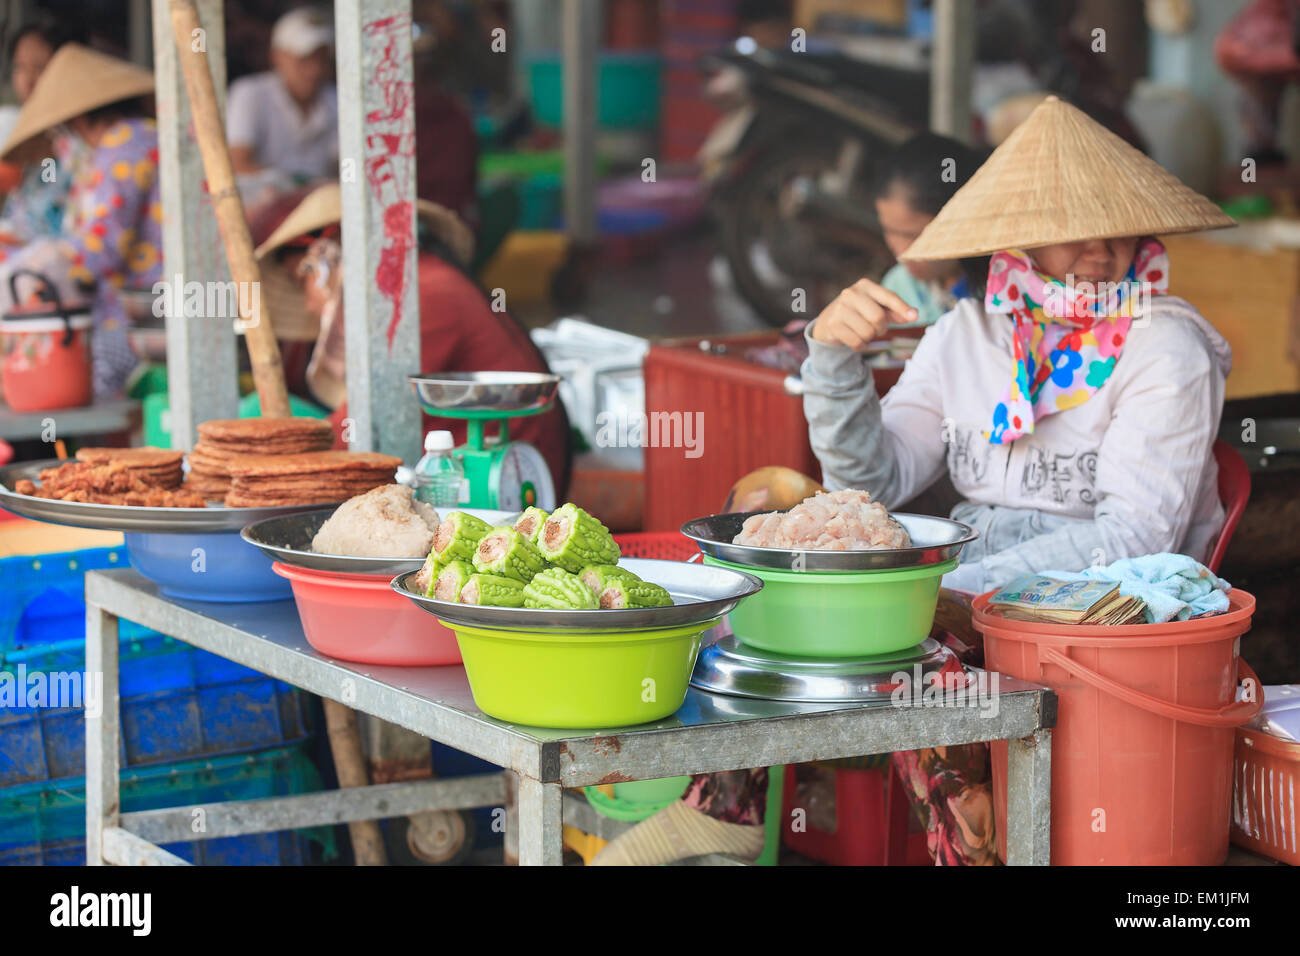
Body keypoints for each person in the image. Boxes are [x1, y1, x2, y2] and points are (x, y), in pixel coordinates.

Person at [593, 96, 1236, 867]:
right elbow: (875, 481)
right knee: (783, 589)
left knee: (903, 640)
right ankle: (726, 806)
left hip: (1097, 600)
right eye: (1068, 233)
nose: (1097, 252)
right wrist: (831, 360)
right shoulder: (969, 331)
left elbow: (1137, 535)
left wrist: (943, 587)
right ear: (1018, 238)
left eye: (1115, 227)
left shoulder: (1167, 348)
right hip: (967, 575)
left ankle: (971, 853)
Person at [254, 183, 572, 496]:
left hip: (503, 485)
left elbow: (366, 419)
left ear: (330, 252)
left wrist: (276, 469)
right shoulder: (419, 283)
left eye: (303, 276)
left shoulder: (422, 295)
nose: (309, 303)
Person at [0, 44, 160, 398]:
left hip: (144, 316)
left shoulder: (126, 141)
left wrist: (37, 264)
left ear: (81, 115)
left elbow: (101, 250)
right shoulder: (120, 143)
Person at [874, 133, 984, 327]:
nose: (901, 253)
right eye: (889, 231)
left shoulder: (1004, 290)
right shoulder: (899, 287)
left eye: (914, 236)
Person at [227, 6, 338, 184]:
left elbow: (345, 165)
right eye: (304, 59)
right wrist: (294, 182)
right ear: (278, 56)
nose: (314, 69)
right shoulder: (250, 95)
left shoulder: (336, 102)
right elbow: (237, 163)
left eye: (321, 58)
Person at [0, 21, 81, 250]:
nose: (28, 80)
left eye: (40, 67)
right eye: (19, 67)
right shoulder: (17, 124)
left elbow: (48, 200)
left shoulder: (78, 138)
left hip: (58, 257)